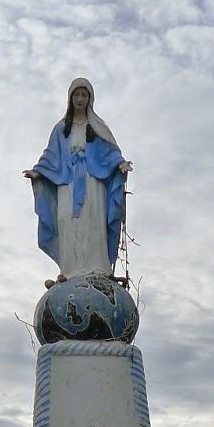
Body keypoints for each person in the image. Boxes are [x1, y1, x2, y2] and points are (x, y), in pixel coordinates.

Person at [24, 80, 132, 279]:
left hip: (92, 182)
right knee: (67, 220)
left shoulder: (97, 127)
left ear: (90, 98)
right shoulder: (61, 129)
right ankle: (69, 269)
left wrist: (121, 164)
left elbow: (110, 152)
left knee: (93, 219)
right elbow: (51, 155)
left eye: (84, 95)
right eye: (77, 94)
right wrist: (38, 171)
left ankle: (98, 266)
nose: (80, 99)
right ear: (70, 98)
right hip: (68, 182)